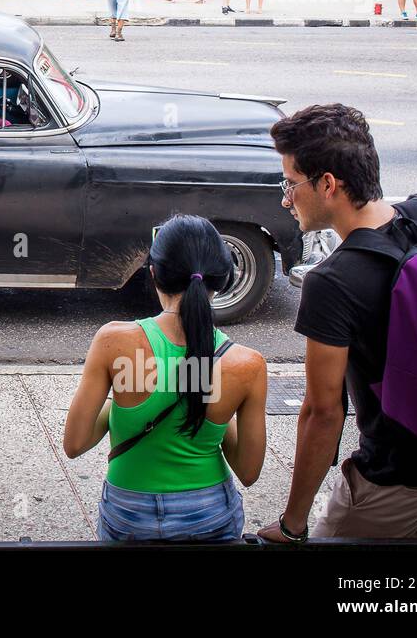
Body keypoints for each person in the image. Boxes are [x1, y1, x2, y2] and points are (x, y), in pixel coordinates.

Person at [259, 103, 417, 542]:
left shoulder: (333, 282)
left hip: (400, 480)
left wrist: (293, 523)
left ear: (327, 184)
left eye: (290, 183)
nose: (286, 198)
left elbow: (323, 413)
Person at [63, 214, 267, 542]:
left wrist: (127, 401)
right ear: (223, 278)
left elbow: (75, 443)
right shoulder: (248, 365)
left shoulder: (112, 342)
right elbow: (249, 471)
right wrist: (209, 407)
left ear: (155, 272)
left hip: (129, 514)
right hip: (209, 513)